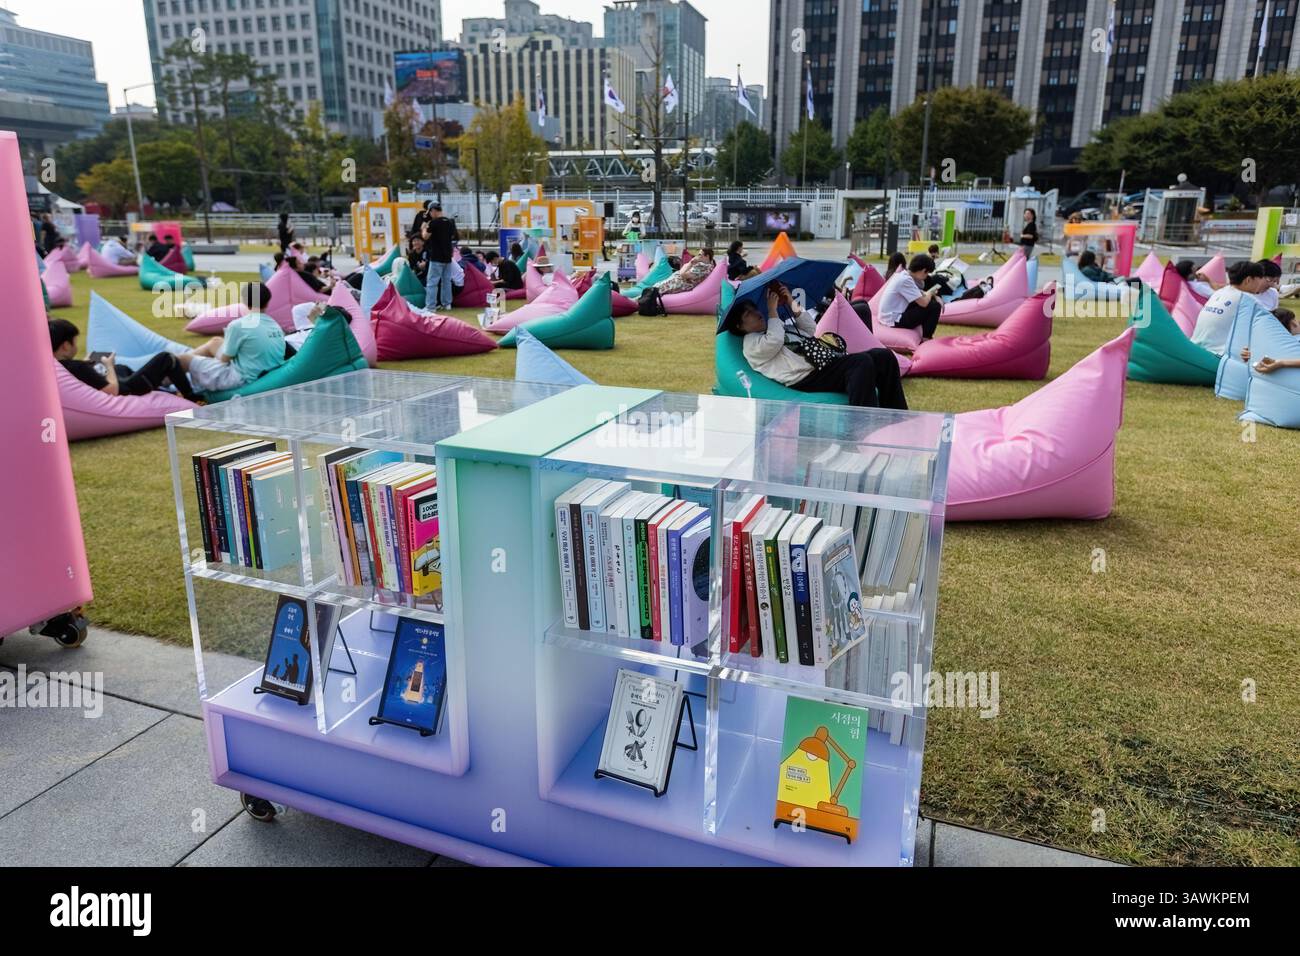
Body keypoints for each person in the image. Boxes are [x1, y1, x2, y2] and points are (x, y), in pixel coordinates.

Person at [722, 283, 906, 409]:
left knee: (884, 356)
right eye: (749, 314)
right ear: (740, 326)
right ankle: (864, 425)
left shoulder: (778, 326)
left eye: (755, 310)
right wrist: (772, 311)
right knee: (860, 362)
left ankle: (897, 415)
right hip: (806, 377)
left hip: (822, 365)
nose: (757, 314)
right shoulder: (751, 343)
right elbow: (774, 341)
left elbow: (811, 329)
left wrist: (791, 302)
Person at [50, 318, 199, 402]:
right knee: (167, 358)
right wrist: (109, 366)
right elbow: (112, 390)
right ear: (65, 346)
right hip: (125, 391)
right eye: (74, 342)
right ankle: (192, 398)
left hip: (110, 384)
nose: (76, 346)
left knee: (122, 367)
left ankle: (168, 394)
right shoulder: (76, 367)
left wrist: (88, 362)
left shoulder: (56, 365)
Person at [179, 282, 286, 395]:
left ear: (244, 301)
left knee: (183, 360)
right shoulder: (275, 325)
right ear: (268, 302)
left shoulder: (238, 325)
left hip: (242, 378)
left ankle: (171, 375)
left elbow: (225, 360)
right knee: (215, 342)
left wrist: (210, 363)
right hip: (264, 371)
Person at [1190, 260, 1267, 356]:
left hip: (1194, 348)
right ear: (1248, 280)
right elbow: (1269, 327)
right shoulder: (1248, 299)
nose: (1262, 284)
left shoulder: (1219, 293)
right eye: (1261, 279)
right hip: (1218, 356)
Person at [877, 254, 944, 340]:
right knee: (934, 306)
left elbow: (919, 293)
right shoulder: (905, 280)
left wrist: (935, 296)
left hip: (889, 315)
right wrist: (931, 293)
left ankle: (925, 335)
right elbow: (923, 303)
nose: (926, 276)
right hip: (893, 319)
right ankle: (926, 338)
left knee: (930, 302)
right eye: (927, 273)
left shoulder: (902, 275)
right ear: (923, 270)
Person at [422, 203, 459, 310]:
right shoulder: (449, 222)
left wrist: (425, 227)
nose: (430, 214)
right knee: (446, 281)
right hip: (447, 256)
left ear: (433, 210)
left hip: (436, 256)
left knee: (432, 282)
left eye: (430, 212)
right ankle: (447, 304)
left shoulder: (434, 223)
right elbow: (453, 236)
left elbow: (425, 236)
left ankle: (430, 306)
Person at [1077, 249, 1141, 288]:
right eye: (1094, 259)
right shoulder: (1086, 270)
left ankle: (1140, 292)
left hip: (1113, 280)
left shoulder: (1091, 267)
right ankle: (1141, 293)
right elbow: (1100, 280)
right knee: (1136, 280)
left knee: (1134, 280)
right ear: (1090, 259)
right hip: (1111, 282)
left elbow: (1101, 275)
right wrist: (1103, 271)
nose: (1095, 260)